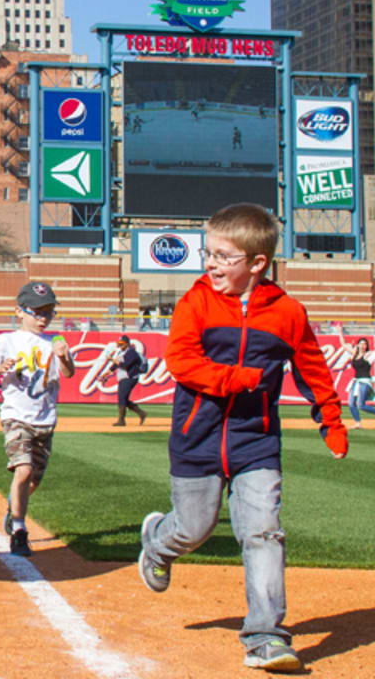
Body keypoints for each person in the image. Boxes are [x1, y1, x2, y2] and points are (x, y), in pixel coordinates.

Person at [137, 203, 346, 674]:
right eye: (208, 254)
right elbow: (182, 361)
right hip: (198, 435)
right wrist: (239, 378)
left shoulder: (289, 313)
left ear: (257, 263)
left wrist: (330, 419)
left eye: (223, 257)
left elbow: (312, 368)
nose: (211, 264)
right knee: (195, 528)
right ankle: (158, 542)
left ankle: (266, 636)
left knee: (263, 533)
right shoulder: (196, 302)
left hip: (257, 441)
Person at [0, 281, 76, 557]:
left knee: (33, 481)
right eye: (36, 312)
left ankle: (14, 508)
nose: (42, 318)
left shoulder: (54, 342)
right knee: (22, 471)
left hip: (45, 420)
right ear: (19, 312)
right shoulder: (6, 341)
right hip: (16, 417)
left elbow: (68, 373)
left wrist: (64, 357)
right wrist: (0, 368)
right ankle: (20, 531)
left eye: (48, 312)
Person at [346, 339, 375, 429]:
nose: (362, 346)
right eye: (361, 344)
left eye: (364, 344)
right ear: (358, 345)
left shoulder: (367, 355)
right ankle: (358, 423)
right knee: (351, 403)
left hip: (365, 381)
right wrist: (340, 332)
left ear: (366, 346)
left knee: (361, 405)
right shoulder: (355, 354)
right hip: (356, 381)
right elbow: (343, 345)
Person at [109, 335, 148, 427]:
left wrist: (112, 360)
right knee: (123, 398)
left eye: (122, 344)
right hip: (123, 378)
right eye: (119, 344)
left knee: (122, 397)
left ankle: (121, 420)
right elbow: (114, 367)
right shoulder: (121, 354)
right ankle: (141, 413)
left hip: (130, 377)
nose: (120, 345)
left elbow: (125, 365)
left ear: (127, 344)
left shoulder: (131, 353)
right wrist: (103, 376)